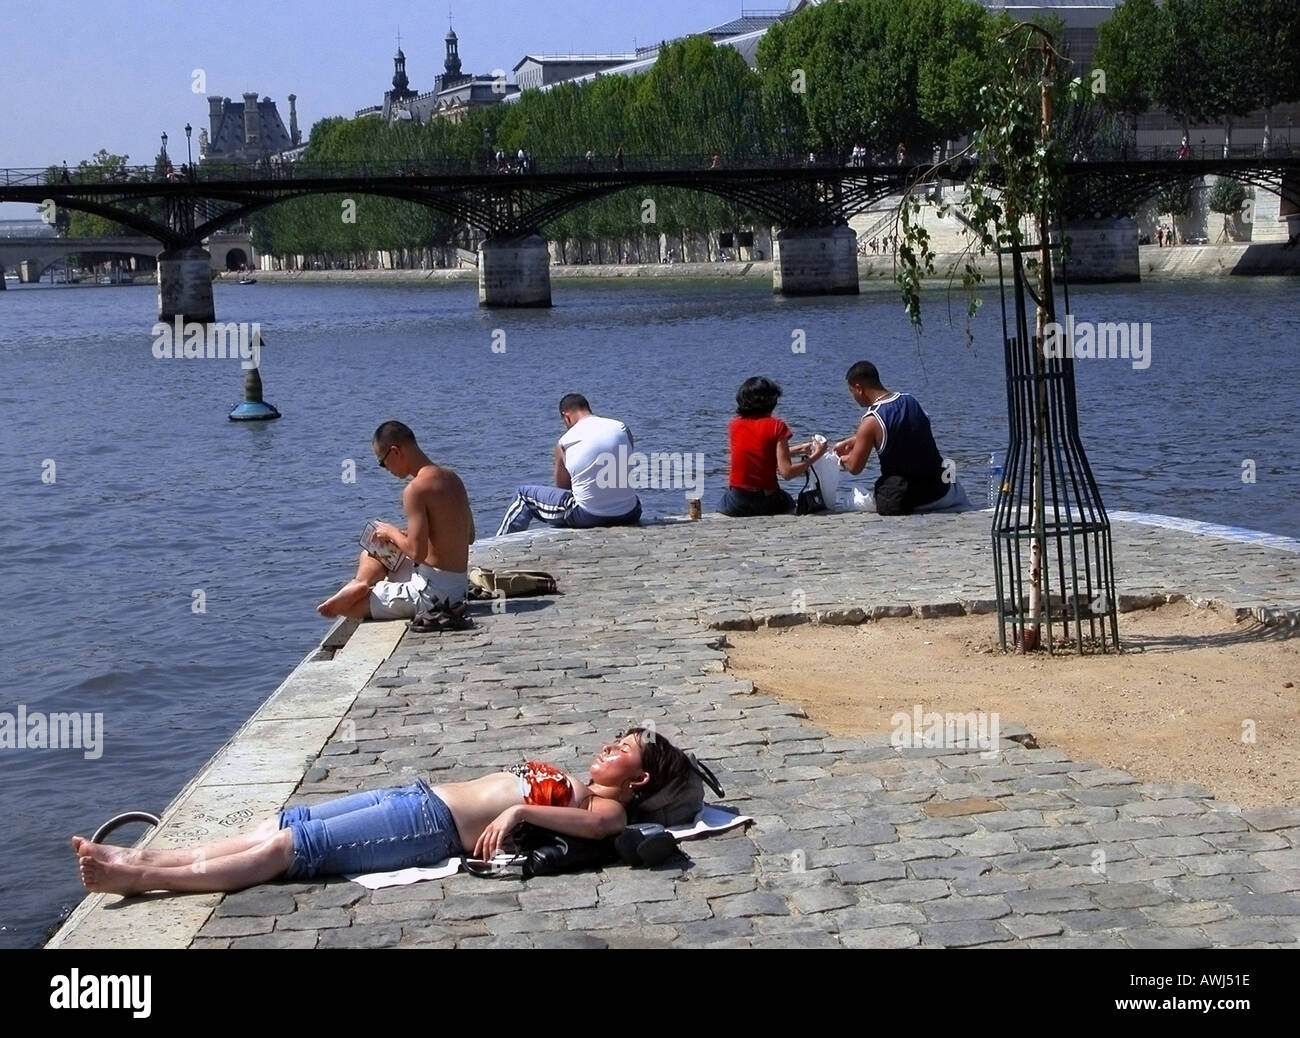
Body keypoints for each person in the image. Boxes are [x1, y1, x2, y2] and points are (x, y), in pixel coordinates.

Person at [73, 729, 693, 896]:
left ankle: (143, 875)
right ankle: (148, 854)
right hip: (417, 798)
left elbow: (591, 829)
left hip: (429, 829)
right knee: (284, 825)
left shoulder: (607, 812)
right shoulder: (580, 783)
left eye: (622, 749)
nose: (607, 747)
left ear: (635, 780)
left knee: (287, 854)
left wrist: (521, 815)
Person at [317, 421, 475, 620]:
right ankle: (361, 582)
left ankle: (363, 587)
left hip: (433, 596)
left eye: (382, 462)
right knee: (376, 548)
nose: (386, 469)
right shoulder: (453, 478)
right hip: (459, 589)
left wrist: (391, 531)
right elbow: (468, 536)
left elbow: (418, 553)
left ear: (395, 451)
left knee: (348, 609)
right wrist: (410, 536)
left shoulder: (415, 489)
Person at [495, 394, 642, 536]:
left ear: (566, 416)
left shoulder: (565, 442)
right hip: (630, 512)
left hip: (588, 515)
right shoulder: (620, 427)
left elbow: (563, 488)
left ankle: (497, 544)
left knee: (523, 495)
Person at [833, 361, 966, 515]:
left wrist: (838, 458)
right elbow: (906, 430)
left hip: (913, 500)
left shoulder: (870, 420)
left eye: (851, 391)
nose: (853, 397)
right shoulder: (911, 400)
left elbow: (855, 467)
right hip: (945, 492)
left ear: (859, 388)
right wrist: (858, 440)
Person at [719, 377, 826, 517]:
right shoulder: (777, 426)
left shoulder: (734, 426)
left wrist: (799, 449)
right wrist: (816, 455)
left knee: (723, 500)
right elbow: (787, 472)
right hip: (767, 501)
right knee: (789, 501)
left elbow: (759, 453)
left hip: (738, 502)